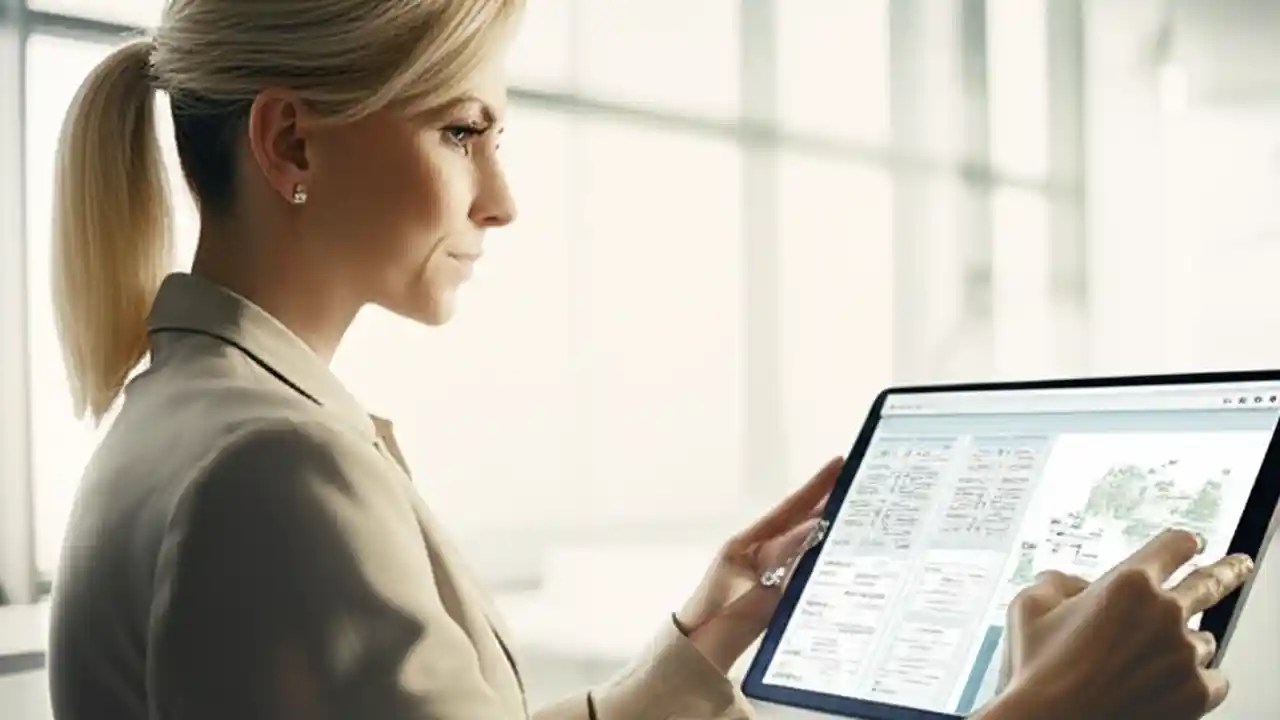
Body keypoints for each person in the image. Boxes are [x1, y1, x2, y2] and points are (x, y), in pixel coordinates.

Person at [43, 2, 1255, 719]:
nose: (503, 198)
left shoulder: (189, 419)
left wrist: (690, 648)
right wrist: (1050, 707)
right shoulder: (268, 466)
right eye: (462, 131)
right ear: (290, 138)